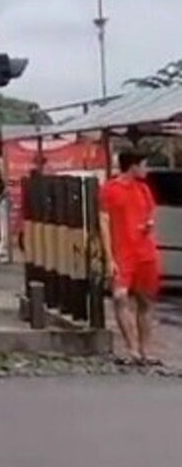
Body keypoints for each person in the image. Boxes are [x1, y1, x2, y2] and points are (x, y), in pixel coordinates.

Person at [99, 150, 162, 365]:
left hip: (145, 252)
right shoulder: (110, 189)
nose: (146, 169)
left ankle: (145, 350)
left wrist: (148, 224)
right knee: (120, 296)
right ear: (133, 166)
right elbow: (104, 222)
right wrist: (109, 257)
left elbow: (150, 213)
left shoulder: (143, 189)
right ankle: (131, 348)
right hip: (122, 253)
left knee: (146, 300)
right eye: (143, 165)